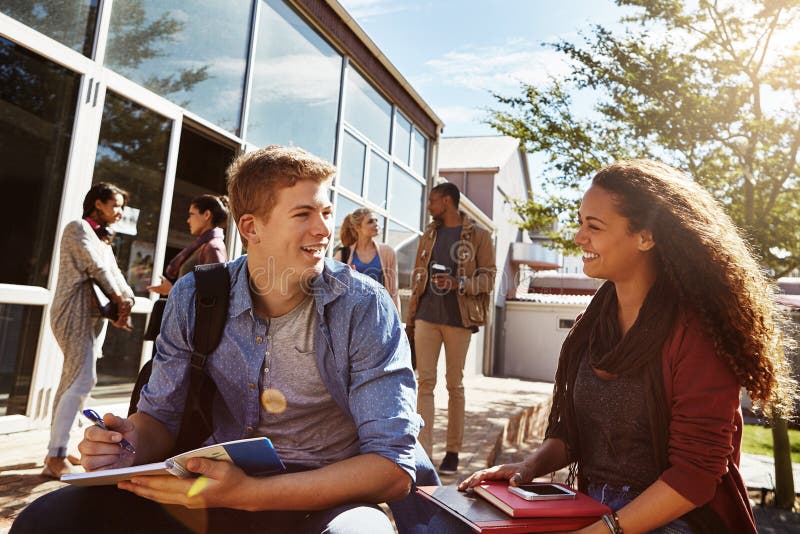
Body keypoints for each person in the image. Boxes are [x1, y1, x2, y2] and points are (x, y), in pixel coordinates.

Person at [13, 146, 437, 534]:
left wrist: (247, 494)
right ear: (251, 226)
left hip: (324, 499)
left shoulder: (363, 306)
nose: (324, 229)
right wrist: (123, 446)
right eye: (303, 214)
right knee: (45, 521)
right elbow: (160, 419)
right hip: (212, 489)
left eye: (327, 212)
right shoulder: (196, 295)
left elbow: (393, 469)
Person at [455, 159, 796, 533]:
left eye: (594, 226)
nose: (579, 237)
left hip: (676, 520)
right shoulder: (596, 323)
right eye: (580, 222)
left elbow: (694, 478)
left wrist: (606, 529)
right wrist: (530, 466)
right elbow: (576, 434)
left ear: (646, 237)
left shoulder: (696, 331)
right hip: (594, 510)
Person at [42, 183, 135, 478]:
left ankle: (60, 447)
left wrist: (127, 297)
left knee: (76, 378)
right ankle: (55, 457)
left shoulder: (103, 237)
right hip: (72, 313)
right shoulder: (78, 228)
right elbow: (97, 269)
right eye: (115, 205)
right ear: (98, 204)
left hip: (95, 316)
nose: (120, 211)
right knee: (81, 378)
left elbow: (115, 273)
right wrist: (121, 300)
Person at [406, 182, 496, 475]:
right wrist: (412, 316)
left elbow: (489, 279)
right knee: (425, 384)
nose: (429, 206)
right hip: (427, 316)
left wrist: (458, 283)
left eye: (432, 201)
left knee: (454, 384)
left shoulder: (479, 236)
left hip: (459, 319)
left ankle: (453, 452)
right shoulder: (429, 234)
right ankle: (423, 453)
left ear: (447, 201)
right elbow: (418, 277)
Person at [146, 194, 229, 296]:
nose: (188, 220)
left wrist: (171, 290)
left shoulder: (213, 247)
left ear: (207, 215)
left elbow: (214, 295)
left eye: (192, 214)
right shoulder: (202, 246)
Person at [333, 207, 401, 311]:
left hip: (380, 313)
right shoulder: (343, 255)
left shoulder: (388, 252)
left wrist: (397, 321)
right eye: (370, 222)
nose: (376, 224)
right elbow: (333, 289)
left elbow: (393, 291)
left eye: (376, 220)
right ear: (357, 227)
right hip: (351, 315)